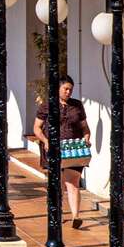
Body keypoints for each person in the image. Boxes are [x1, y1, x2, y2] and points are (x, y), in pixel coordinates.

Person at [33, 75, 91, 229]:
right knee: (57, 183)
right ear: (58, 89)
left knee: (73, 182)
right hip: (54, 149)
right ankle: (56, 213)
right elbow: (36, 128)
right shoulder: (47, 106)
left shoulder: (77, 105)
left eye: (70, 89)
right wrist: (46, 141)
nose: (68, 92)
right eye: (65, 89)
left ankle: (75, 216)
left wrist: (86, 138)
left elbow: (84, 127)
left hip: (73, 150)